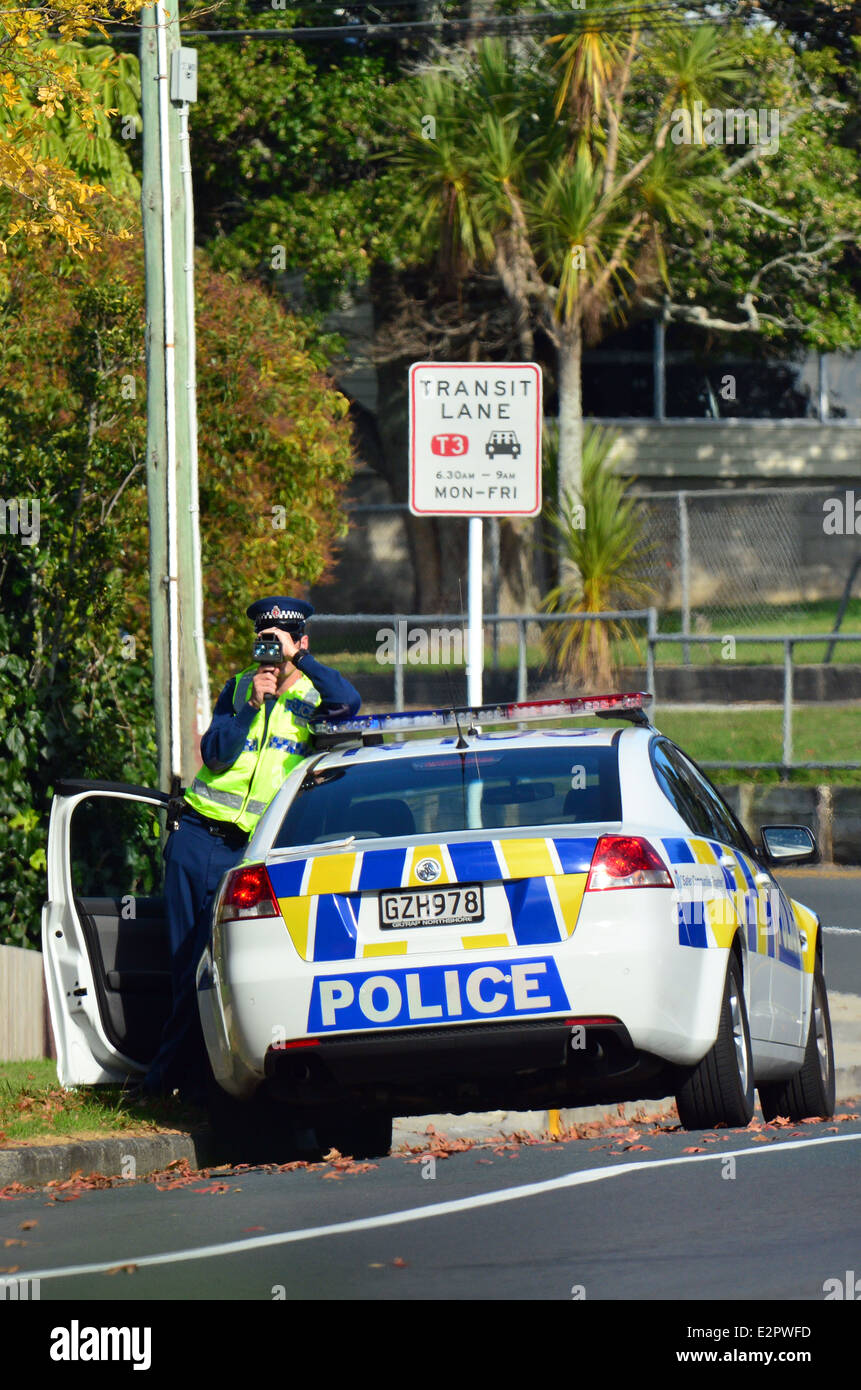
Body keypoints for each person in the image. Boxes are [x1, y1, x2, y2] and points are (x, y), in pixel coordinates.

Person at [141, 596, 360, 1100]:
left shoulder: (313, 687)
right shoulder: (240, 686)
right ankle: (183, 1082)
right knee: (184, 964)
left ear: (301, 641)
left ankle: (171, 1083)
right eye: (264, 638)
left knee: (216, 966)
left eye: (281, 639)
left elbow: (349, 705)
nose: (270, 648)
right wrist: (250, 707)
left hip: (250, 851)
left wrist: (298, 662)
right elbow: (214, 754)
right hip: (197, 836)